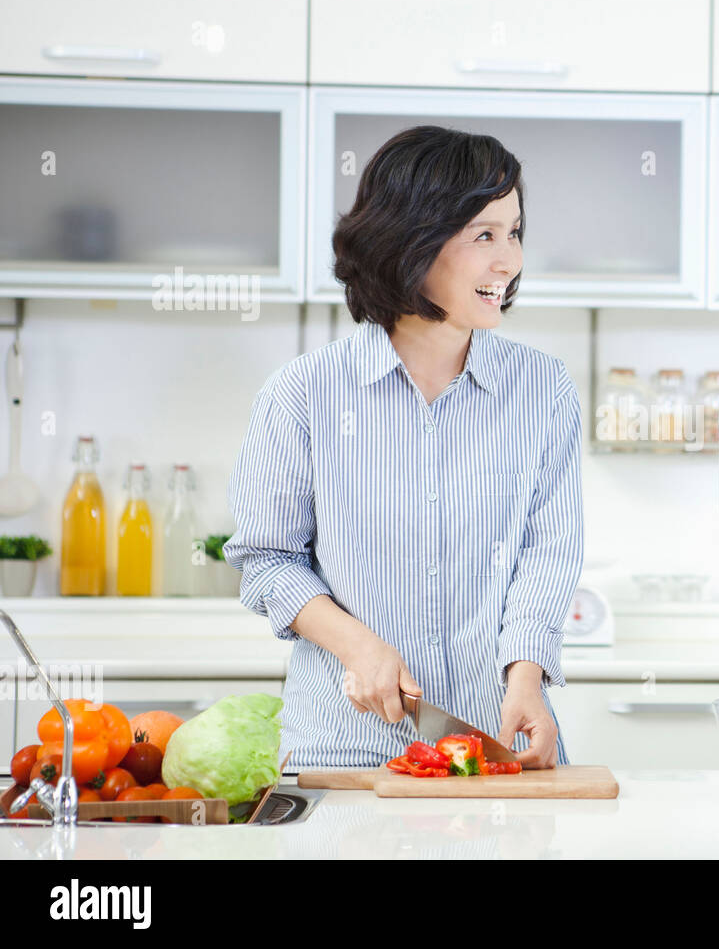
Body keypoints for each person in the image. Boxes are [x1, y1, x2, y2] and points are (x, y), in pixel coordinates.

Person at [224, 125, 583, 769]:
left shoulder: (543, 389)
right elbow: (268, 560)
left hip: (496, 743)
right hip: (348, 747)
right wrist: (358, 646)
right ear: (410, 240)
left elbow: (547, 553)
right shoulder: (303, 395)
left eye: (515, 232)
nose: (509, 260)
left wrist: (527, 677)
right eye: (483, 235)